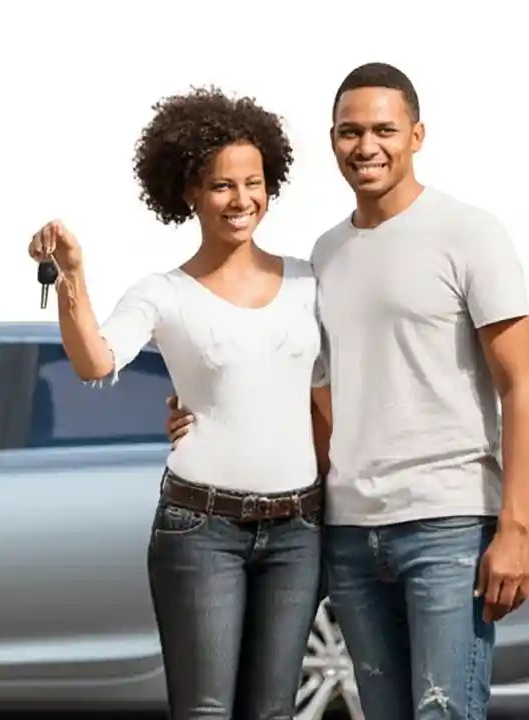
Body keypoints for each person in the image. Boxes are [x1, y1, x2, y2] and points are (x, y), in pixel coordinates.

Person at [165, 62, 529, 719]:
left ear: (417, 135)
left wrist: (517, 527)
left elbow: (520, 382)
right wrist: (206, 410)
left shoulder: (469, 234)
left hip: (447, 527)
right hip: (352, 535)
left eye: (384, 130)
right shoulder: (324, 255)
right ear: (332, 139)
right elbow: (310, 389)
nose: (366, 146)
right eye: (349, 131)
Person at [28, 86, 329, 719]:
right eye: (222, 186)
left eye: (254, 183)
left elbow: (327, 396)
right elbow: (95, 361)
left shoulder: (309, 280)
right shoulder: (164, 293)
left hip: (298, 531)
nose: (241, 200)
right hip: (201, 530)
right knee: (205, 713)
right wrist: (73, 276)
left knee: (273, 714)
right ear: (190, 191)